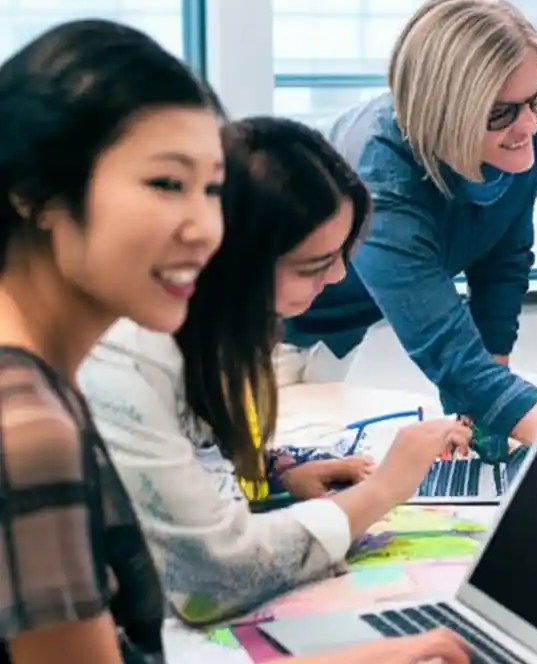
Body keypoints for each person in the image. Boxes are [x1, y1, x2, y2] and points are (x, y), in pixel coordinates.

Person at [0, 20, 467, 664]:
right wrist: (382, 491)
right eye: (167, 184)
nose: (205, 228)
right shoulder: (28, 423)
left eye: (212, 190)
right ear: (35, 192)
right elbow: (205, 581)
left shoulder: (42, 384)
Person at [79, 117, 474, 625]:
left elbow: (196, 455)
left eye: (339, 257)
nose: (335, 278)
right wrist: (381, 491)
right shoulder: (128, 359)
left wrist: (275, 473)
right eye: (314, 264)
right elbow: (211, 579)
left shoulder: (217, 333)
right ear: (231, 260)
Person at [280, 0, 537, 464]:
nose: (529, 124)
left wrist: (488, 404)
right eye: (501, 111)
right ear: (445, 110)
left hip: (340, 328)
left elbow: (503, 259)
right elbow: (450, 355)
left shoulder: (523, 125)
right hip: (256, 329)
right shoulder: (379, 172)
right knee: (259, 487)